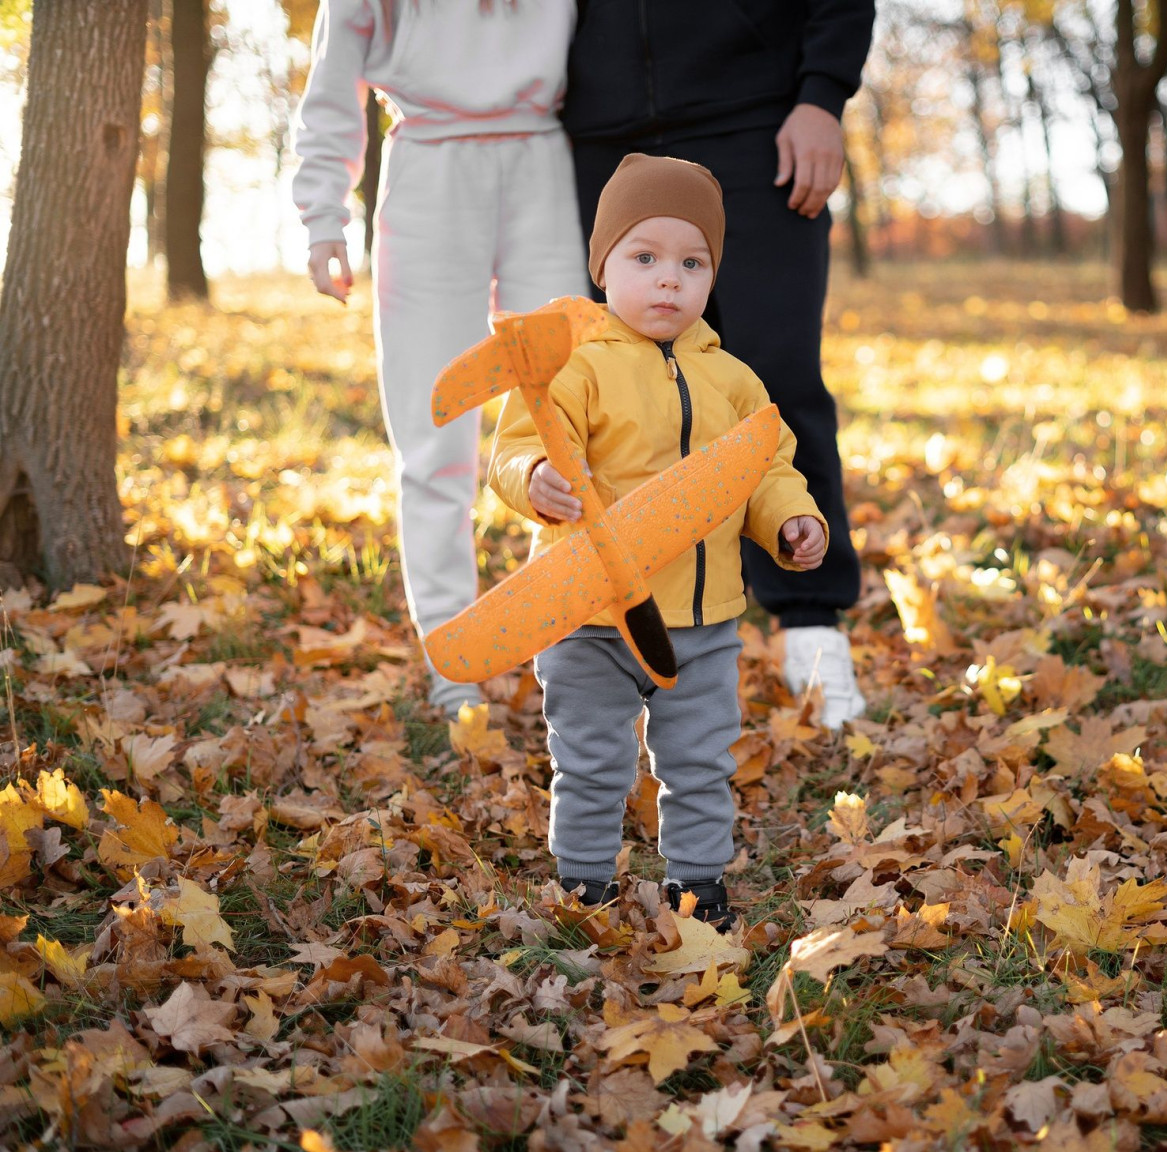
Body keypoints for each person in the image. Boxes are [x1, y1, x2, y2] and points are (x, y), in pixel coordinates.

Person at [489, 155, 826, 924]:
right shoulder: (574, 370)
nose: (668, 279)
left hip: (702, 624)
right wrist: (535, 476)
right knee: (593, 761)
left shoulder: (735, 383)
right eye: (644, 258)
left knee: (699, 762)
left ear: (713, 274)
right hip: (589, 616)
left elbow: (768, 468)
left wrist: (789, 519)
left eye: (691, 261)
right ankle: (583, 882)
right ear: (604, 266)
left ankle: (698, 886)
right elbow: (513, 446)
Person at [563, 1, 874, 730]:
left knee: (776, 379)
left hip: (756, 119)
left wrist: (822, 95)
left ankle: (811, 624)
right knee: (626, 396)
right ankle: (643, 640)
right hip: (596, 138)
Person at [291, 0, 587, 716]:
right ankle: (452, 659)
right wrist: (321, 215)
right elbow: (333, 85)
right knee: (433, 436)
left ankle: (576, 646)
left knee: (577, 417)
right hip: (426, 167)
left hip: (545, 161)